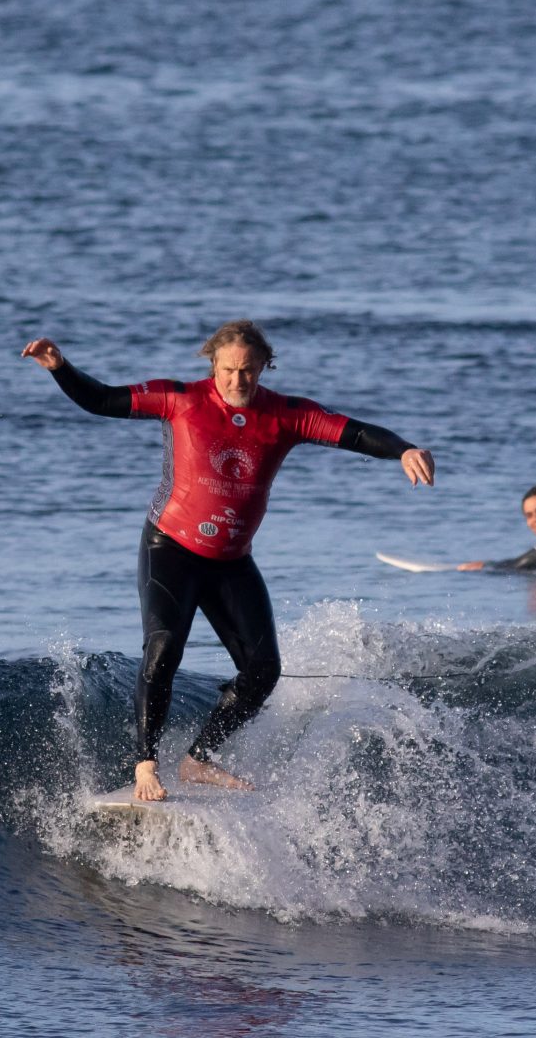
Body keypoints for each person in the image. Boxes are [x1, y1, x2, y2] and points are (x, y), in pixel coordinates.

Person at [25, 320, 434, 802]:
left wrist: (403, 449)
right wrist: (60, 367)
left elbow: (356, 433)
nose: (238, 380)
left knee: (263, 671)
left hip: (231, 560)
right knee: (163, 649)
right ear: (212, 364)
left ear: (264, 367)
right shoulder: (179, 399)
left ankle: (198, 760)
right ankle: (146, 765)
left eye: (248, 371)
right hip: (170, 549)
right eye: (228, 370)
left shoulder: (287, 415)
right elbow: (102, 400)